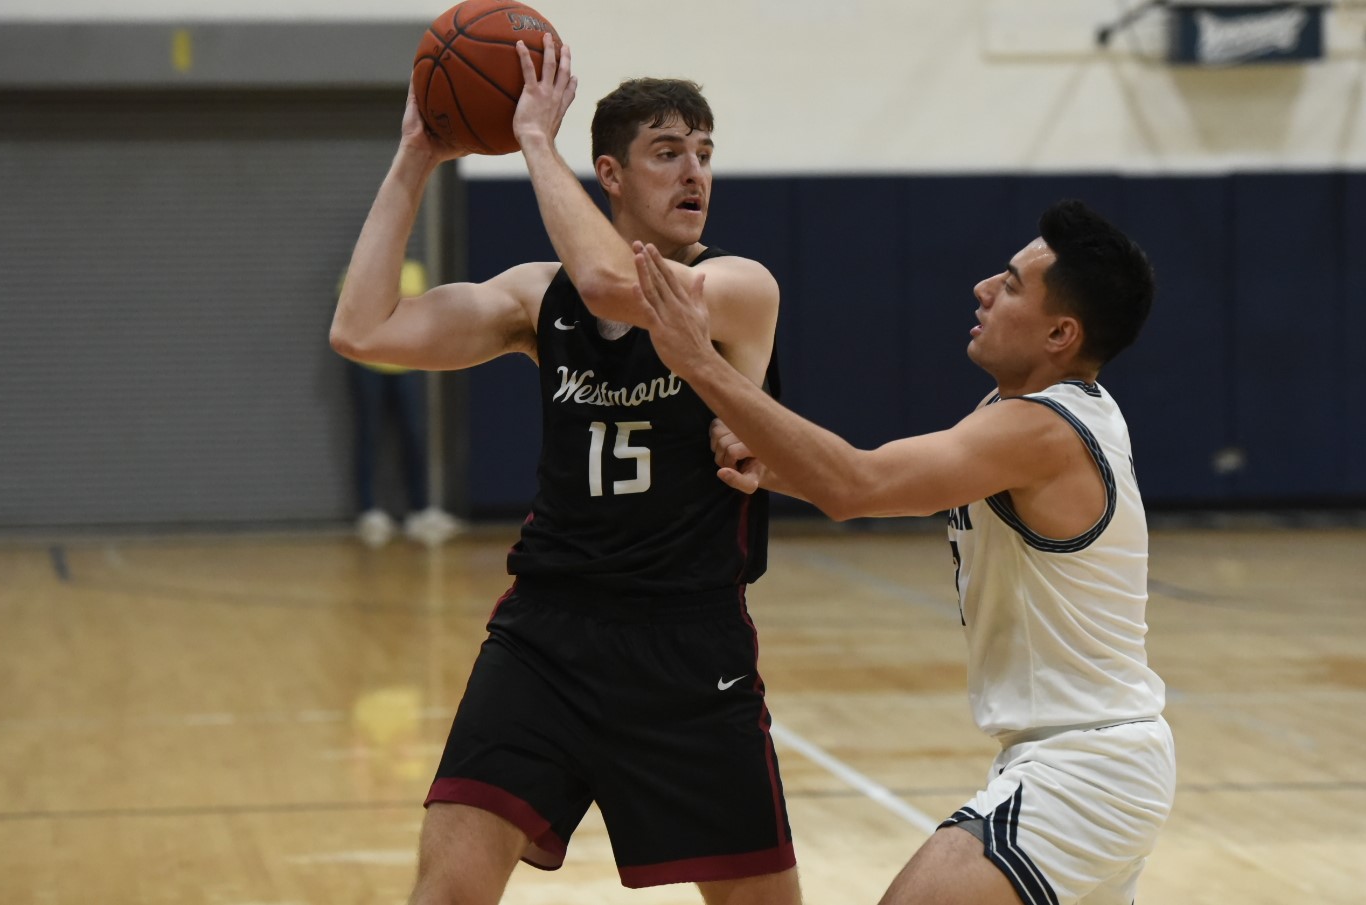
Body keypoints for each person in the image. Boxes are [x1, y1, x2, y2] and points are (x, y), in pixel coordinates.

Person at [329, 37, 798, 905]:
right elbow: (362, 329)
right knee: (447, 890)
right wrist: (414, 157)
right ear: (609, 175)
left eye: (703, 153)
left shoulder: (737, 287)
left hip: (687, 639)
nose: (694, 172)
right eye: (667, 153)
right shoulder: (534, 298)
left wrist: (534, 140)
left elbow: (615, 286)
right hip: (547, 634)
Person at [631, 199, 1174, 905]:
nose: (983, 288)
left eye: (1011, 285)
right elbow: (875, 483)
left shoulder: (1042, 429)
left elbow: (854, 485)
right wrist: (771, 467)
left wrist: (700, 363)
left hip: (1086, 767)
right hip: (1085, 759)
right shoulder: (1025, 414)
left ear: (1060, 333)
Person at [342, 260, 430, 547]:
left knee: (413, 435)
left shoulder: (414, 271)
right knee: (369, 434)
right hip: (367, 364)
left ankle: (419, 511)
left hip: (406, 365)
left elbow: (415, 312)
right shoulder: (360, 267)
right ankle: (369, 511)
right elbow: (354, 309)